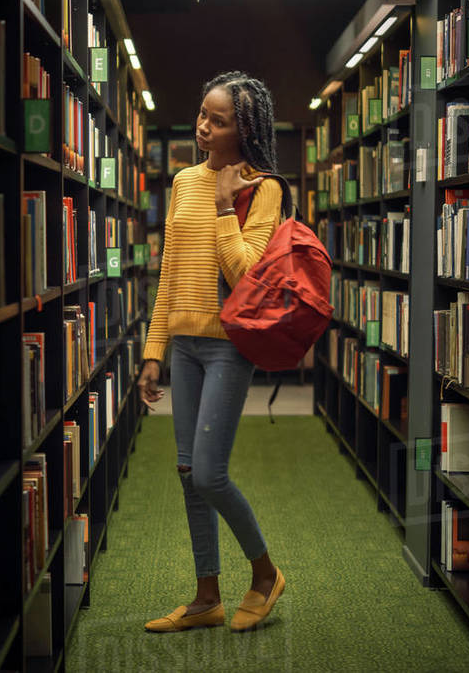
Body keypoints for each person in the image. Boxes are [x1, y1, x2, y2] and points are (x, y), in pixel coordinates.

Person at [137, 71, 289, 633]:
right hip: (184, 347)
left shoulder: (264, 189)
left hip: (229, 347)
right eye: (202, 113)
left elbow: (248, 275)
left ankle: (265, 573)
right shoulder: (182, 181)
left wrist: (227, 207)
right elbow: (170, 274)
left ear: (243, 130)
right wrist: (154, 350)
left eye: (217, 120)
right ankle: (207, 598)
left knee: (208, 473)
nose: (203, 126)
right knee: (186, 472)